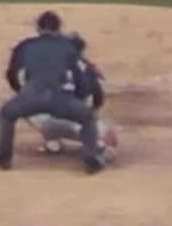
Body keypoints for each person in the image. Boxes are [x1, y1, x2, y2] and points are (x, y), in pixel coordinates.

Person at [0, 11, 106, 173]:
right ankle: (90, 156)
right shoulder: (68, 47)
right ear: (59, 28)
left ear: (38, 28)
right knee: (88, 117)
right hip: (60, 97)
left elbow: (11, 74)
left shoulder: (25, 46)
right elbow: (81, 79)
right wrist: (78, 101)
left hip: (31, 96)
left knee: (7, 113)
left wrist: (20, 92)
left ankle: (4, 159)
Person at [28, 32, 119, 162]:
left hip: (46, 121)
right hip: (78, 122)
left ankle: (52, 142)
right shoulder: (87, 69)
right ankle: (98, 147)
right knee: (109, 136)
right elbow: (98, 98)